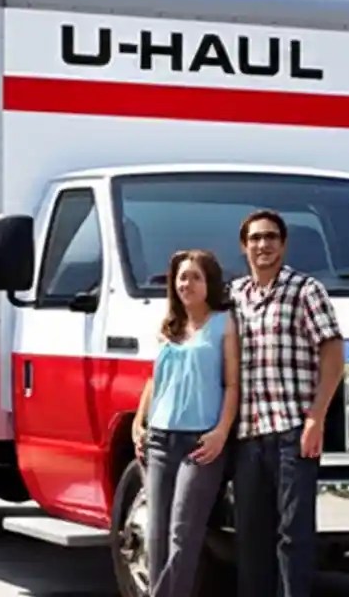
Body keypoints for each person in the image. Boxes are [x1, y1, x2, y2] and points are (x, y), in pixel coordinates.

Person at [228, 209, 345, 597]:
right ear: (244, 246)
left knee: (294, 534)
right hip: (247, 435)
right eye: (255, 238)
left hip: (293, 431)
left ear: (284, 244)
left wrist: (316, 418)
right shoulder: (233, 296)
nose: (263, 244)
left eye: (271, 237)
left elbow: (333, 353)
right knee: (251, 537)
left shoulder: (306, 290)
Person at [131, 248, 240, 597]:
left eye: (195, 277)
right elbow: (154, 380)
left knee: (184, 534)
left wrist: (221, 432)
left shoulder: (224, 324)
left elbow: (232, 384)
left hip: (200, 444)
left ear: (209, 283)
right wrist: (139, 422)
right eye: (181, 277)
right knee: (156, 533)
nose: (186, 284)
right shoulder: (168, 327)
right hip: (160, 439)